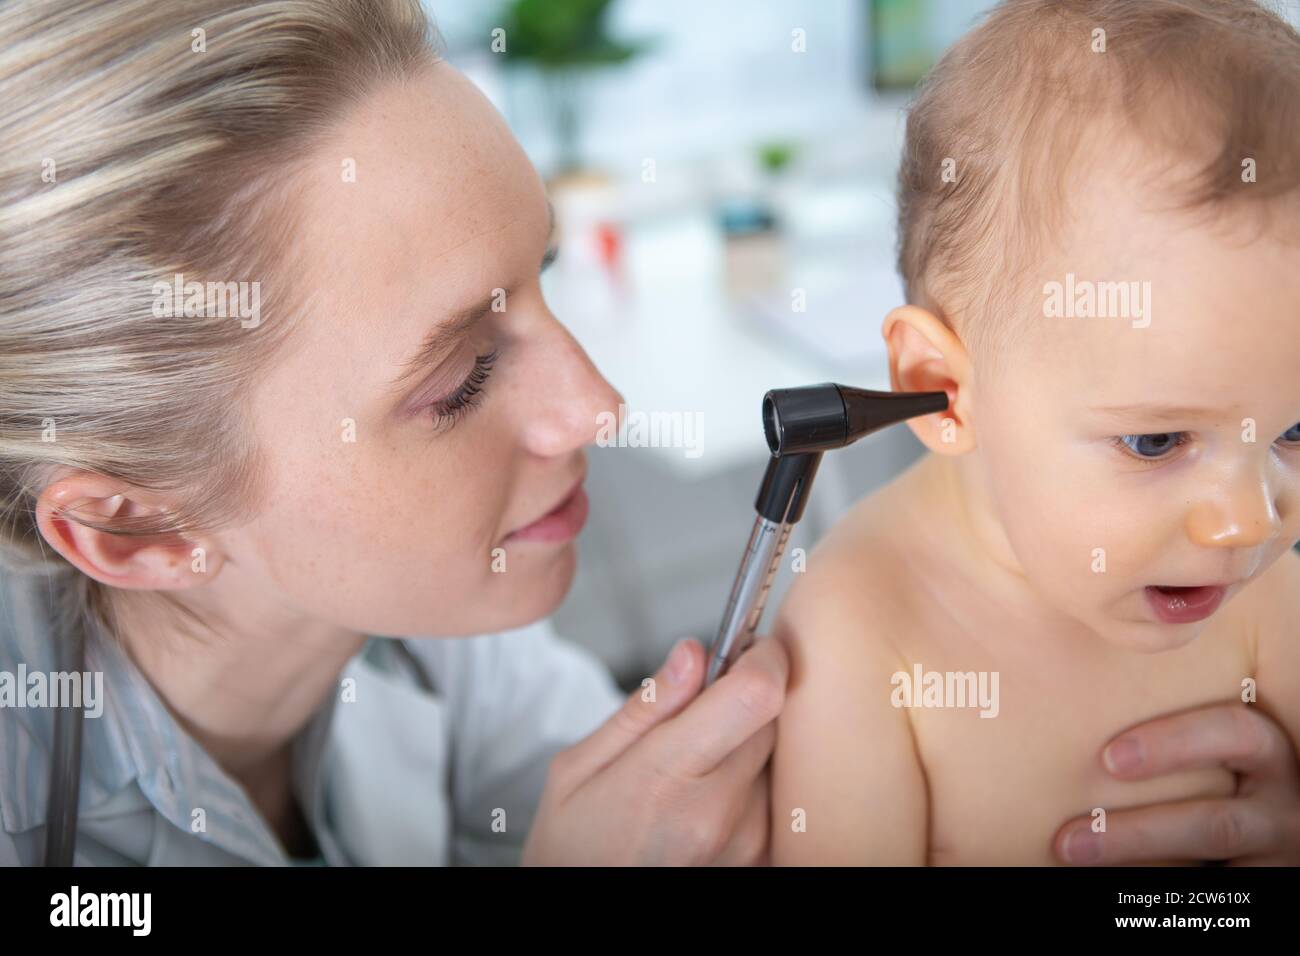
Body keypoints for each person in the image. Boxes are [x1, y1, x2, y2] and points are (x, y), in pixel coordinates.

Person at [770, 0, 1300, 865]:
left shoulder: (1263, 594)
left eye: (1295, 428)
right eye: (1158, 442)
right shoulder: (863, 630)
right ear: (944, 390)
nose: (1250, 521)